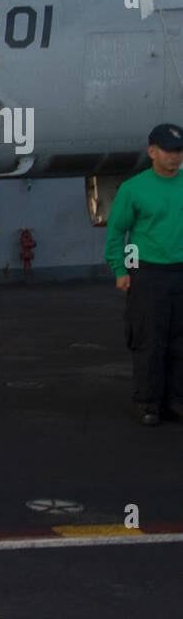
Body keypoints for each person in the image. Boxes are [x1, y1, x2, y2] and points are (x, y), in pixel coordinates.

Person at [104, 122, 183, 426]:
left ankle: (175, 402)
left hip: (180, 273)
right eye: (168, 151)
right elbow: (118, 232)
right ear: (152, 151)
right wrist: (122, 269)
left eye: (178, 151)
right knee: (149, 341)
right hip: (148, 273)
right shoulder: (134, 188)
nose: (175, 157)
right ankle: (148, 403)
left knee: (180, 342)